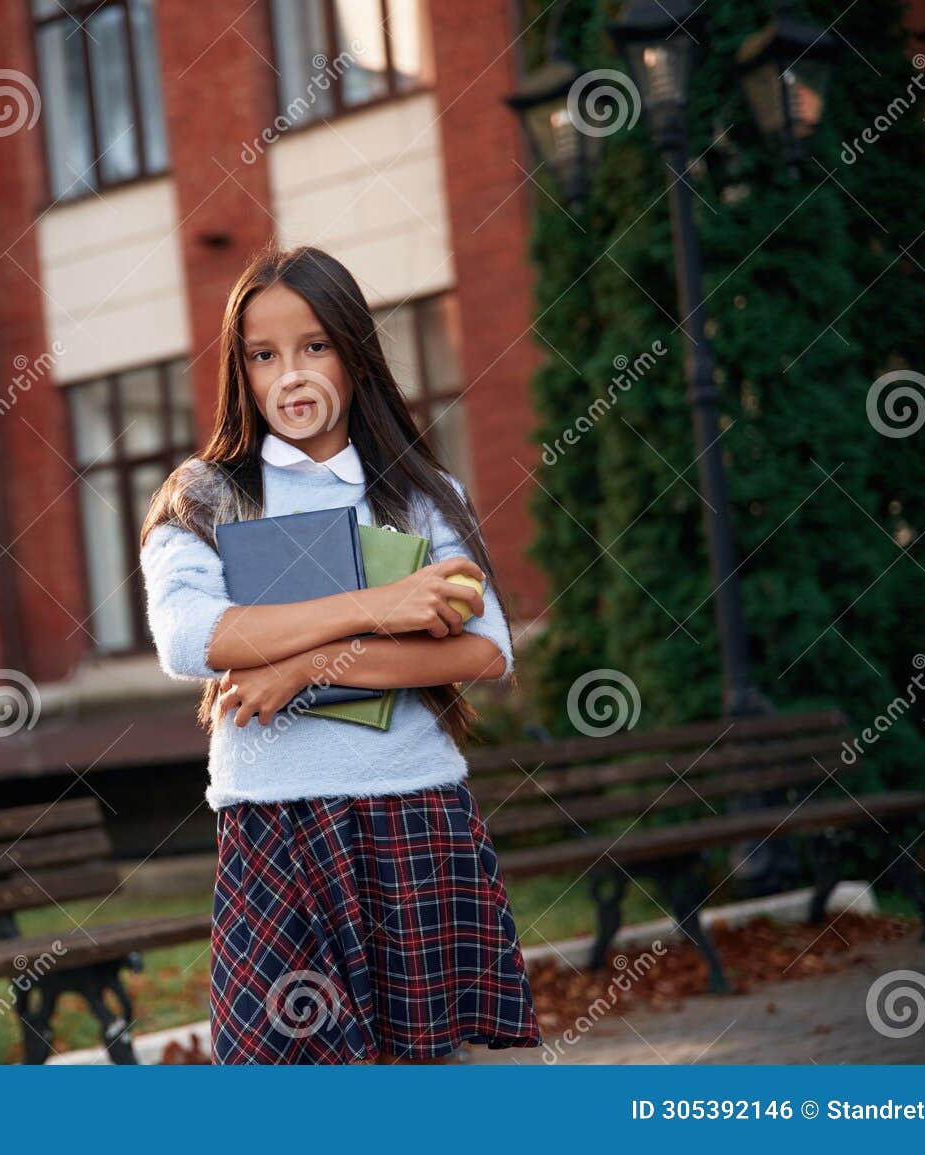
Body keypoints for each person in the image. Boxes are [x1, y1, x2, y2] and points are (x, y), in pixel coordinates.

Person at [138, 245, 541, 1065]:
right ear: (240, 371)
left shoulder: (422, 493)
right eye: (263, 354)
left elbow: (486, 648)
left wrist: (296, 667)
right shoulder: (208, 494)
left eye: (314, 345)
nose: (291, 374)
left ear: (355, 353)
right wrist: (381, 607)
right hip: (275, 824)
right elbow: (191, 638)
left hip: (414, 813)